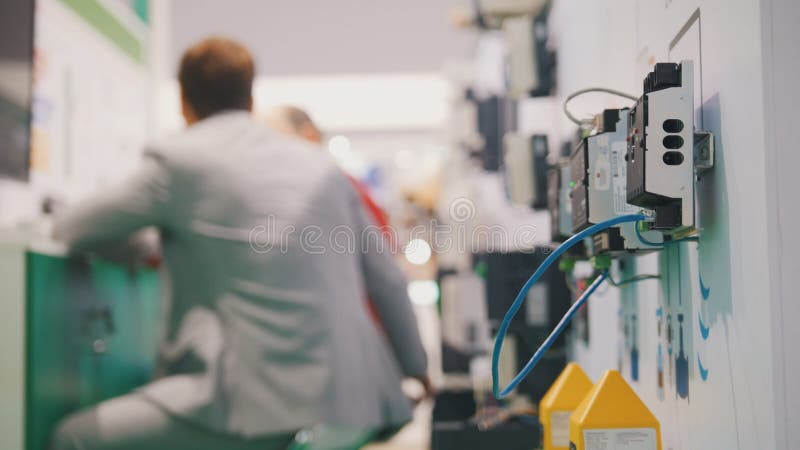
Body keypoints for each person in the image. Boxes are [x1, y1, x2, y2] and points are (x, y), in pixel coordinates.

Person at [50, 36, 429, 450]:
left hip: (255, 406)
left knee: (75, 438)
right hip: (354, 403)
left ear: (183, 102)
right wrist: (418, 369)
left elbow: (73, 227)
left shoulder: (181, 160)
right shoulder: (323, 168)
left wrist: (151, 242)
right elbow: (387, 280)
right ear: (250, 99)